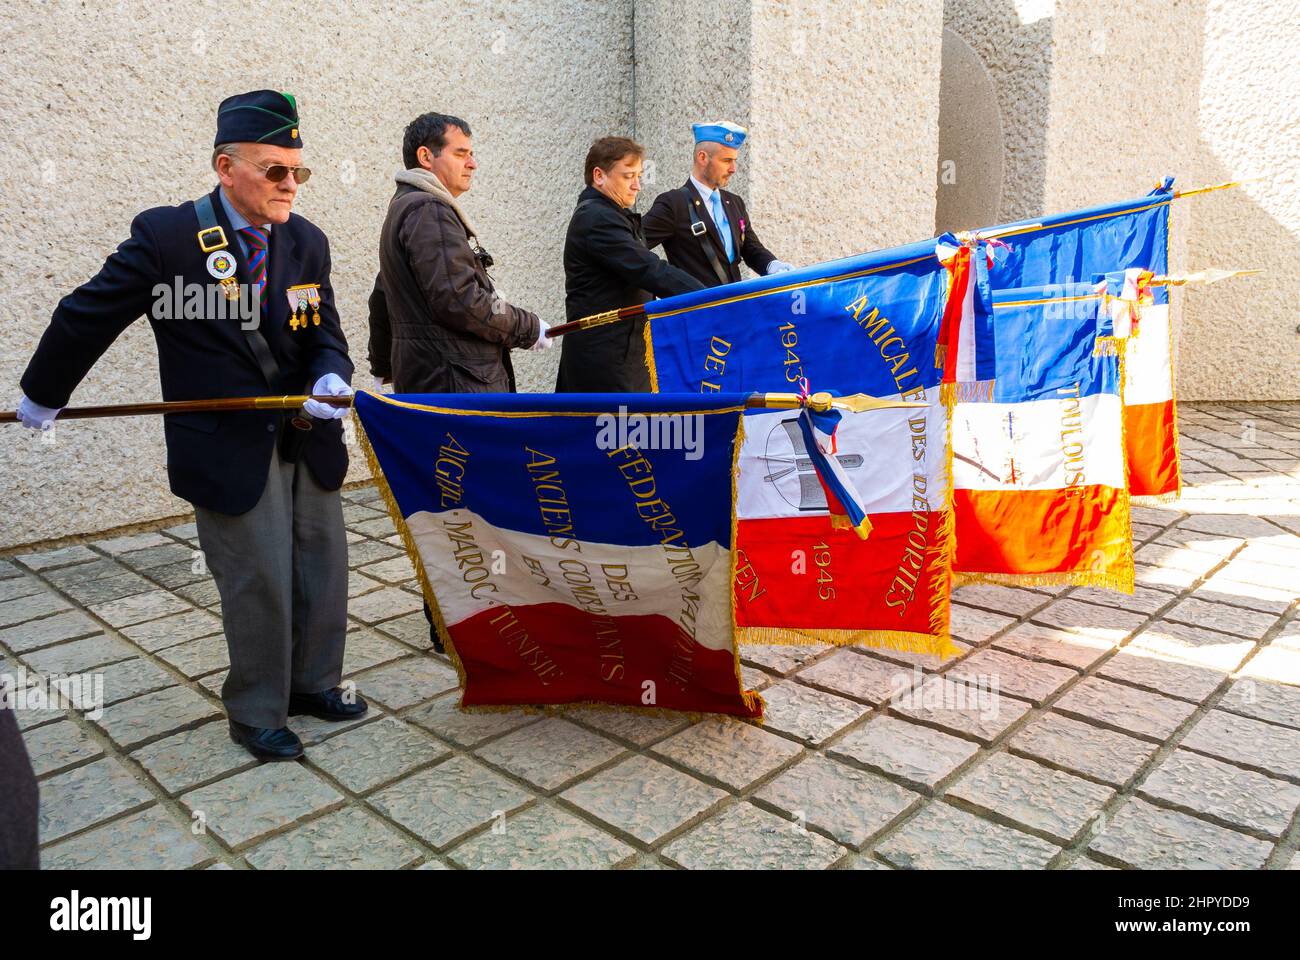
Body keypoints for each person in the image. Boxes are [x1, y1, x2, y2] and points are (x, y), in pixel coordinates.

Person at [15, 90, 363, 762]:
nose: (290, 184)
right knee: (257, 574)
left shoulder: (307, 241)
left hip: (307, 431)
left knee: (323, 562)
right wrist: (44, 392)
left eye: (298, 171)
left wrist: (330, 376)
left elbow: (325, 330)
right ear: (225, 166)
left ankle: (315, 682)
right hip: (228, 442)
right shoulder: (168, 237)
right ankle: (257, 708)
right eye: (274, 170)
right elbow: (89, 312)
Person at [367, 112, 549, 394]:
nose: (472, 164)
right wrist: (528, 327)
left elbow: (382, 294)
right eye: (461, 154)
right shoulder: (429, 210)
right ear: (426, 157)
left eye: (471, 154)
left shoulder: (406, 206)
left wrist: (384, 365)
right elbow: (461, 300)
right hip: (456, 388)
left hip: (434, 381)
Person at [555, 136, 704, 393]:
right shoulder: (596, 218)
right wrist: (711, 298)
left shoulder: (614, 215)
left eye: (639, 176)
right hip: (605, 363)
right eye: (628, 176)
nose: (637, 185)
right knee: (617, 433)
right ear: (599, 176)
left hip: (622, 354)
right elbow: (649, 269)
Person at [642, 121, 793, 287]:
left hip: (732, 305)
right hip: (697, 309)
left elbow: (751, 248)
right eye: (727, 160)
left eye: (734, 160)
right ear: (702, 158)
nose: (733, 169)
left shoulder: (734, 202)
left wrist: (773, 266)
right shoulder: (673, 204)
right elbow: (632, 248)